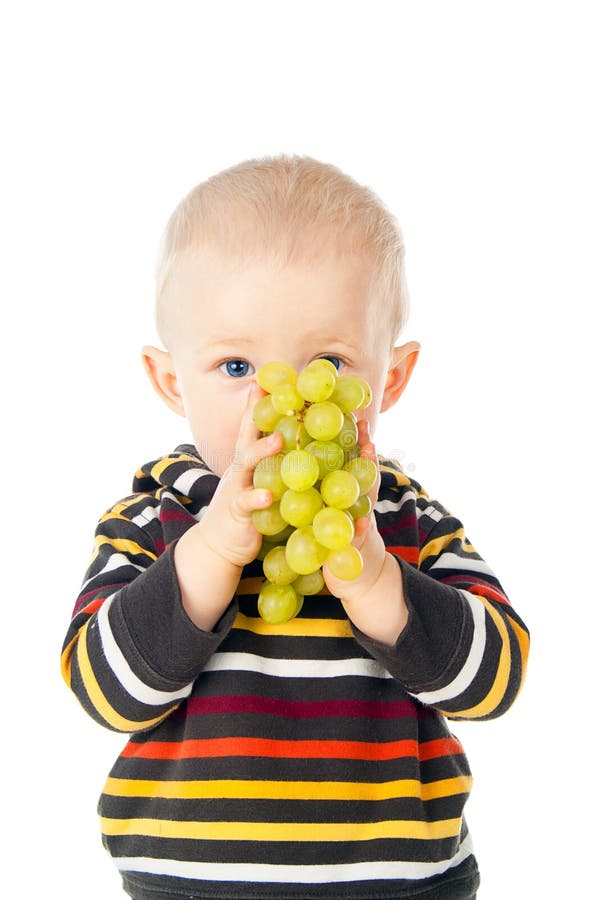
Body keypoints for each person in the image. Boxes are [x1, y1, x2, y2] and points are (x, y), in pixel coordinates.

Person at [61, 155, 529, 900]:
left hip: (404, 886)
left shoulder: (404, 517)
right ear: (170, 380)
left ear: (390, 378)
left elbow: (495, 681)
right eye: (237, 366)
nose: (281, 405)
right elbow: (105, 689)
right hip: (187, 886)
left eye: (329, 361)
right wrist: (210, 550)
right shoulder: (151, 518)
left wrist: (379, 582)